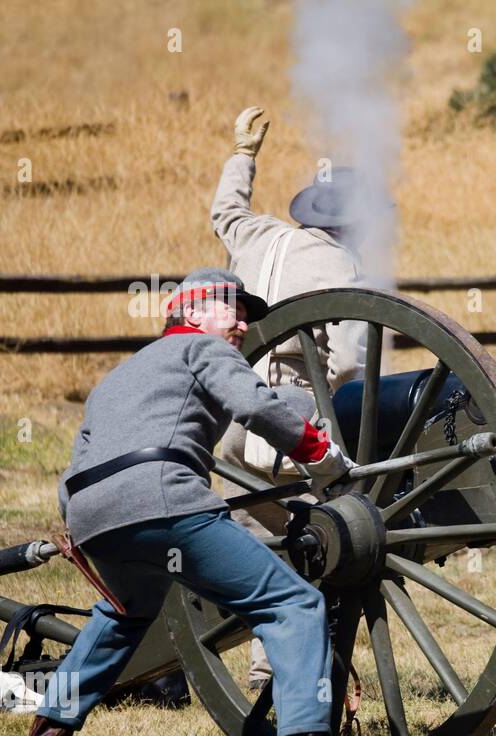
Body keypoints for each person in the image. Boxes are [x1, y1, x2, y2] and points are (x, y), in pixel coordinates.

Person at [24, 269, 355, 736]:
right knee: (292, 604)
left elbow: (77, 463)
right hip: (163, 497)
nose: (242, 326)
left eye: (245, 317)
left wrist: (84, 528)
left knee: (122, 616)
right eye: (233, 311)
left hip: (91, 516)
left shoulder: (117, 377)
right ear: (192, 313)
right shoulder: (202, 348)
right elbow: (252, 404)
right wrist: (320, 454)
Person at [211, 105, 374, 688]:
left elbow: (225, 211)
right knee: (313, 539)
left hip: (230, 428)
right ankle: (282, 662)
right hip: (295, 429)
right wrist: (330, 402)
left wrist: (244, 153)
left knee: (260, 541)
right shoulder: (342, 266)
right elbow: (351, 361)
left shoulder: (257, 236)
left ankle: (261, 662)